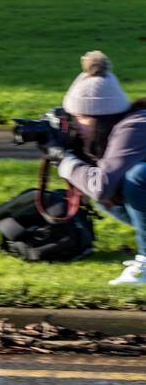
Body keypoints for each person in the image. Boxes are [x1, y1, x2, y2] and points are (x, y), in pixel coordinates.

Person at [47, 50, 146, 285]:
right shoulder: (111, 131)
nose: (74, 124)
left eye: (79, 117)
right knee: (106, 187)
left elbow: (100, 184)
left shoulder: (134, 127)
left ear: (99, 118)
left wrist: (64, 159)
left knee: (137, 177)